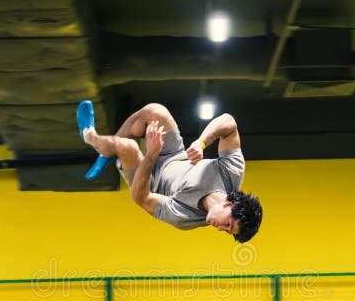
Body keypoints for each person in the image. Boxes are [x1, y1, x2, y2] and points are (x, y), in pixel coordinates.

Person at [77, 101, 262, 243]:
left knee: (128, 147)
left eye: (227, 231)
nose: (220, 229)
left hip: (148, 182)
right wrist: (201, 143)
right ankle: (107, 151)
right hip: (174, 155)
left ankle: (89, 135)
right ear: (229, 205)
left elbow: (140, 198)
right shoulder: (231, 172)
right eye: (228, 224)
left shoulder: (187, 219)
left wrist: (151, 155)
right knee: (155, 111)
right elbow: (229, 123)